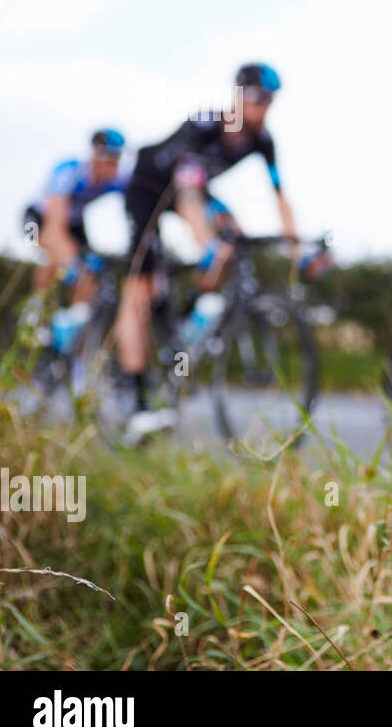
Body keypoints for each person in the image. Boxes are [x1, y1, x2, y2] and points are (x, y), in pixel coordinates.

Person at [115, 62, 297, 442]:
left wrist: (296, 245)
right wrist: (206, 242)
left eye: (271, 101)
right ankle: (136, 402)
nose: (265, 108)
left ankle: (185, 321)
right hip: (151, 189)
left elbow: (279, 194)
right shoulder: (204, 126)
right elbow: (187, 194)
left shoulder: (262, 141)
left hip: (194, 192)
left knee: (235, 234)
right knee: (141, 287)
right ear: (238, 96)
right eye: (258, 99)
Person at [19, 128, 127, 351]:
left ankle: (72, 325)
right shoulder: (70, 171)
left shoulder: (115, 179)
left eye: (117, 159)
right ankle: (35, 312)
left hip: (74, 223)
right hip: (40, 218)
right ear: (96, 155)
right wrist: (74, 264)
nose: (113, 166)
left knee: (91, 269)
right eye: (109, 158)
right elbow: (53, 230)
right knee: (59, 256)